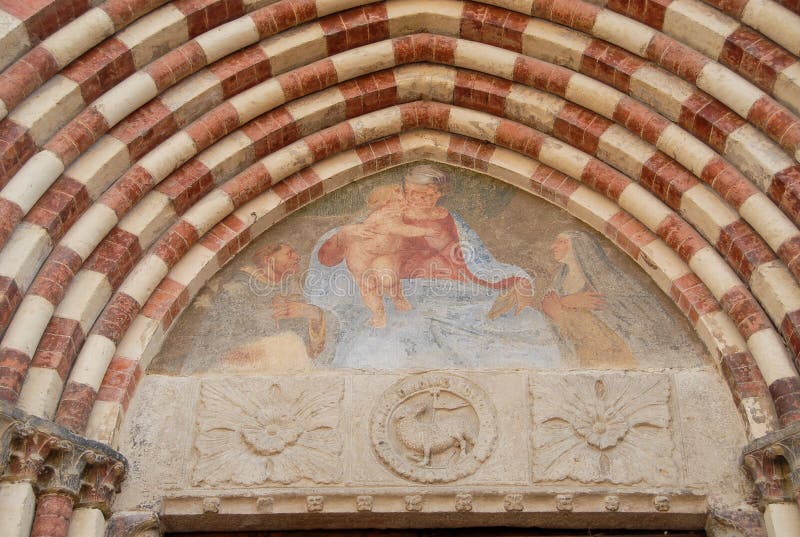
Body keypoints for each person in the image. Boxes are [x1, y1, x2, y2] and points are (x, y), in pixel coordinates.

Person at [307, 165, 562, 369]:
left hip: (453, 291)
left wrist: (514, 278)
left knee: (526, 323)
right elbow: (333, 256)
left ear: (439, 194)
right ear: (403, 192)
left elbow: (474, 261)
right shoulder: (386, 217)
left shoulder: (449, 220)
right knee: (384, 339)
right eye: (412, 193)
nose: (418, 199)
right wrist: (344, 234)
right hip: (403, 293)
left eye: (427, 194)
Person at [541, 230, 685, 368]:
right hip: (581, 352)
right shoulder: (559, 281)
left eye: (561, 242)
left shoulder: (606, 279)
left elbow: (629, 309)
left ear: (579, 247)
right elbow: (549, 309)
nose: (553, 246)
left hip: (613, 352)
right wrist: (566, 302)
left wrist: (566, 305)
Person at [336, 184, 435, 328]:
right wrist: (425, 231)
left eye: (403, 199)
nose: (404, 202)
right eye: (399, 201)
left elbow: (415, 214)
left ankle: (397, 298)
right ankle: (379, 313)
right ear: (387, 204)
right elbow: (404, 230)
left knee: (389, 279)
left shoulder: (395, 213)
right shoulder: (384, 217)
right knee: (369, 287)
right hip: (360, 257)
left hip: (380, 255)